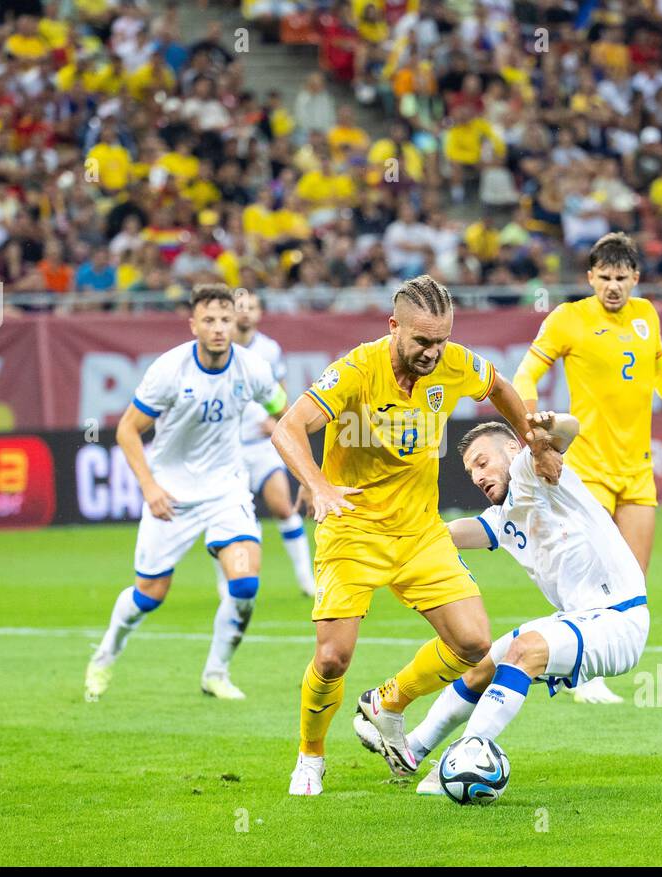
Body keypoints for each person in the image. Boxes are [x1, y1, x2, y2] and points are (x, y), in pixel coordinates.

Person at [270, 274, 563, 795]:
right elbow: (287, 428)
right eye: (422, 340)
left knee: (474, 643)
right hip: (353, 530)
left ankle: (386, 703)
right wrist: (318, 486)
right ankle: (310, 757)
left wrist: (532, 442)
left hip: (420, 532)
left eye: (442, 339)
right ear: (393, 328)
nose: (433, 352)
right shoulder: (357, 370)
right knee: (333, 657)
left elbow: (498, 387)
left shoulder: (454, 363)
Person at [357, 413, 648, 795]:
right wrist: (393, 535)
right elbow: (449, 535)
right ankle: (413, 748)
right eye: (471, 471)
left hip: (618, 619)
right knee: (482, 667)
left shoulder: (532, 469)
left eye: (482, 462)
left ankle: (460, 762)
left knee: (525, 651)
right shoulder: (504, 514)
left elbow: (569, 429)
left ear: (512, 449)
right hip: (580, 619)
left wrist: (550, 424)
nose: (477, 477)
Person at [511, 232, 662, 703]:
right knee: (589, 578)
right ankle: (583, 675)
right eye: (605, 278)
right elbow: (525, 374)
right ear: (590, 277)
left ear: (636, 278)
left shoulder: (646, 315)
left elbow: (658, 368)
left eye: (622, 278)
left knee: (632, 579)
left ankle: (593, 664)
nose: (613, 287)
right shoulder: (569, 318)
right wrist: (531, 425)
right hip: (588, 469)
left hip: (637, 469)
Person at [84, 284, 287, 702]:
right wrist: (150, 488)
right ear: (193, 324)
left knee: (245, 585)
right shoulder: (169, 370)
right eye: (209, 320)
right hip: (171, 496)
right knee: (148, 596)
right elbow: (127, 429)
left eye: (225, 320)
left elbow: (285, 411)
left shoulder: (252, 368)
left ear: (236, 323)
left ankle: (216, 673)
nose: (218, 328)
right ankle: (105, 654)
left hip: (227, 492)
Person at [228, 290, 316, 597]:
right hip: (228, 448)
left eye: (251, 306)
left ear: (259, 312)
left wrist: (276, 421)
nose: (245, 312)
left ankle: (307, 580)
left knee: (281, 506)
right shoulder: (219, 347)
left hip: (262, 443)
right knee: (230, 518)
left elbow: (280, 393)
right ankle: (227, 581)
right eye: (239, 307)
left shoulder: (268, 349)